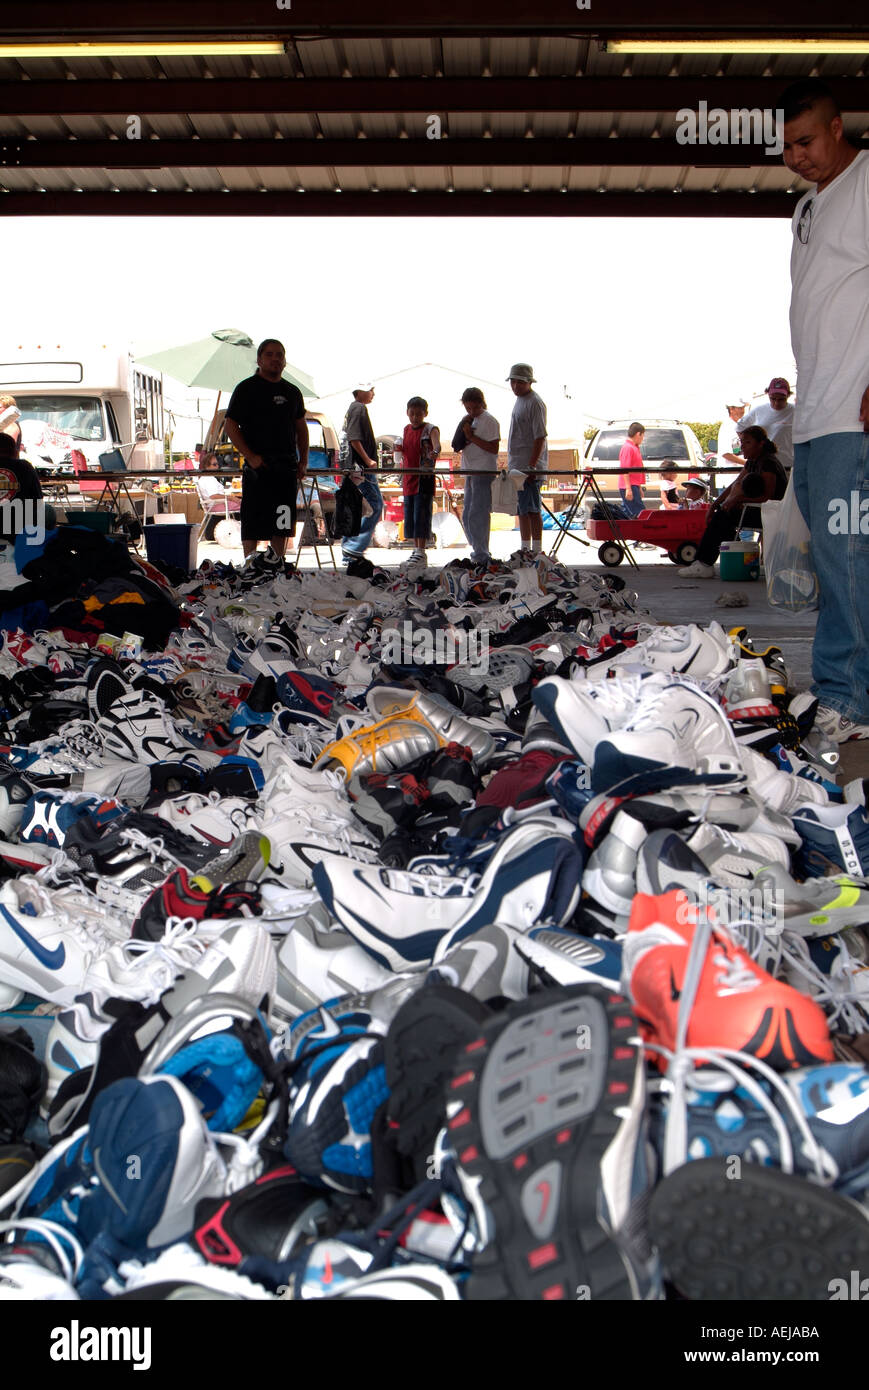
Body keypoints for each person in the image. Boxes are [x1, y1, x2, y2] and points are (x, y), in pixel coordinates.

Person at [780, 77, 869, 741]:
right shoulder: (808, 207)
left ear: (837, 126)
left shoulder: (866, 183)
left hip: (853, 413)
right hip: (814, 413)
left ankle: (852, 699)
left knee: (846, 557)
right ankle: (840, 686)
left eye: (805, 141)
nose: (795, 156)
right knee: (830, 560)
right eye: (785, 146)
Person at [224, 339, 308, 564]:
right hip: (257, 468)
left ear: (284, 361)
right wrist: (249, 456)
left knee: (282, 519)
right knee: (252, 520)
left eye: (279, 355)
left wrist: (303, 461)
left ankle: (277, 563)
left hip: (286, 468)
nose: (275, 359)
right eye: (269, 354)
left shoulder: (292, 392)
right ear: (260, 359)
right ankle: (250, 564)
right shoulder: (246, 389)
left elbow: (301, 427)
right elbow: (230, 425)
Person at [678, 426, 787, 577]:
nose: (743, 447)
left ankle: (704, 563)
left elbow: (768, 498)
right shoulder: (752, 462)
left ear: (760, 444)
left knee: (724, 517)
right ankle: (713, 561)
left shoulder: (768, 463)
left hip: (771, 513)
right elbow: (734, 484)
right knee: (722, 514)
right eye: (742, 442)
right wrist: (715, 505)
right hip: (757, 509)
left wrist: (739, 499)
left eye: (747, 442)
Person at [339, 384, 383, 566]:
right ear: (361, 391)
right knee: (375, 505)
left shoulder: (352, 409)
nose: (373, 393)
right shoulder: (358, 408)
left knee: (356, 506)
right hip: (360, 467)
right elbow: (354, 438)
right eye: (371, 389)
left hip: (353, 466)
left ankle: (350, 550)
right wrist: (368, 460)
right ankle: (354, 546)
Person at [455, 387, 500, 566]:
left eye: (474, 408)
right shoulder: (468, 420)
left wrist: (471, 437)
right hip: (470, 470)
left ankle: (481, 553)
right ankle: (478, 548)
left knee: (478, 513)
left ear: (482, 404)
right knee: (467, 514)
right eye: (468, 408)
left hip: (484, 470)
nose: (472, 412)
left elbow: (494, 448)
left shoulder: (489, 421)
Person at [506, 363, 548, 554]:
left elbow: (540, 436)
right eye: (513, 382)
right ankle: (525, 548)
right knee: (522, 509)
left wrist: (532, 466)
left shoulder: (535, 402)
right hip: (517, 465)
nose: (515, 386)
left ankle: (537, 550)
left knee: (532, 509)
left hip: (529, 467)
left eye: (519, 382)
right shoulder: (519, 401)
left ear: (529, 382)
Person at [396, 397, 440, 563]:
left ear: (425, 414)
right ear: (407, 413)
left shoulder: (430, 429)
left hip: (424, 478)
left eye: (418, 414)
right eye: (412, 414)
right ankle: (415, 549)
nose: (415, 417)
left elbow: (436, 446)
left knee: (421, 513)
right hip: (408, 477)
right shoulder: (406, 429)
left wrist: (434, 453)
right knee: (411, 515)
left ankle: (421, 550)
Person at [738, 379, 795, 472]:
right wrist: (750, 446)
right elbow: (740, 427)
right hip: (761, 464)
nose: (776, 403)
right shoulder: (758, 410)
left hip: (786, 464)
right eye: (773, 398)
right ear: (768, 394)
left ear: (788, 395)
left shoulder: (796, 411)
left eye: (781, 399)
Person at [618, 423, 647, 518]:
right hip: (629, 485)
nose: (643, 438)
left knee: (630, 512)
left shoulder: (634, 447)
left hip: (634, 485)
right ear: (638, 434)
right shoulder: (628, 448)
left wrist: (639, 487)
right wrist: (628, 488)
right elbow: (625, 469)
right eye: (643, 435)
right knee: (639, 513)